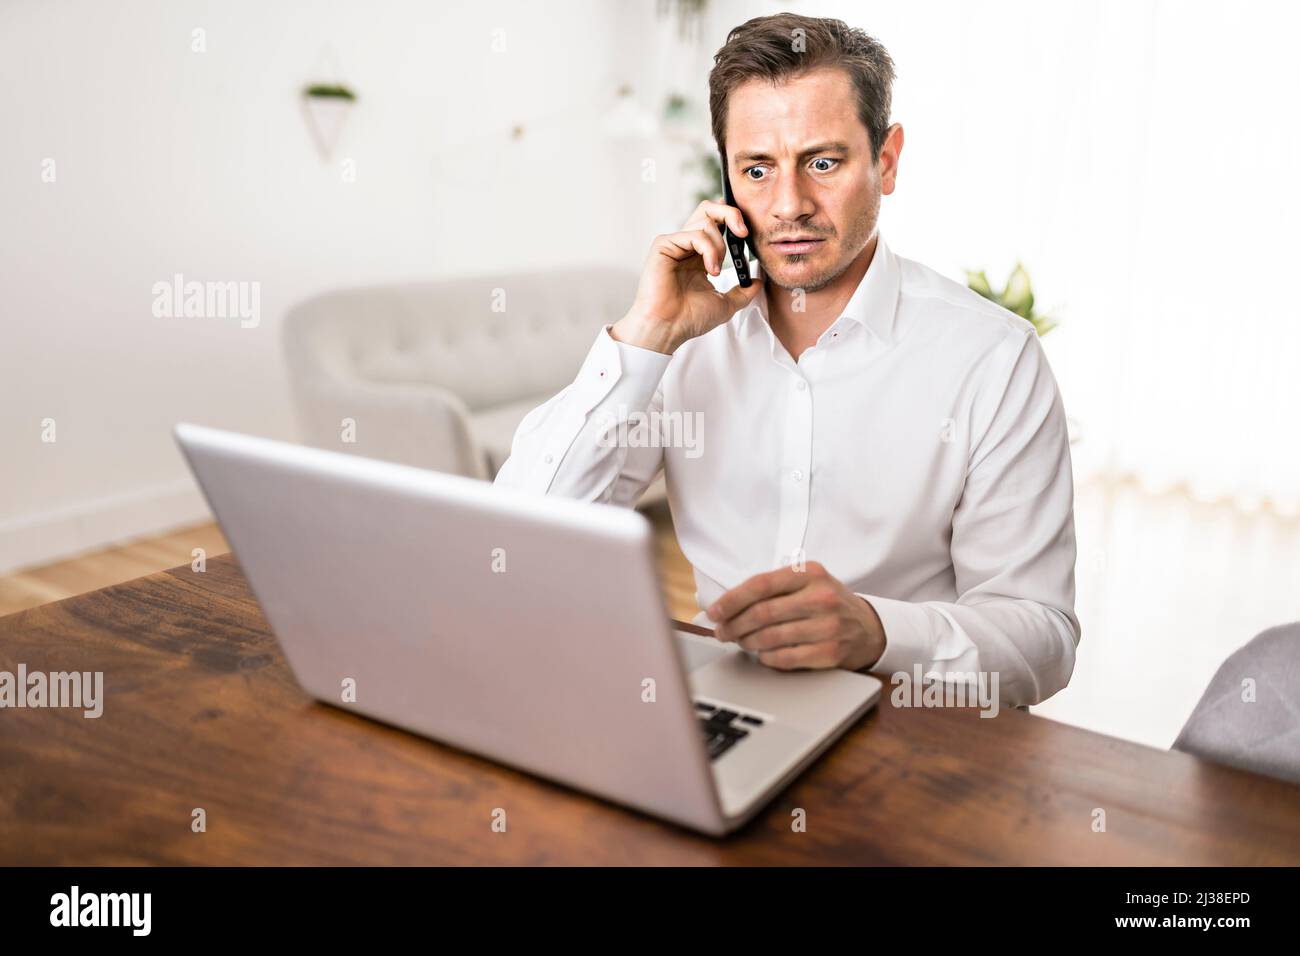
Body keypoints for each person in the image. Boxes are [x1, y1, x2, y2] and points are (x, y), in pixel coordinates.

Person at [495, 13, 1080, 706]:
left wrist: (877, 632)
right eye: (758, 169)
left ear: (886, 161)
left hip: (907, 718)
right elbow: (519, 540)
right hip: (718, 704)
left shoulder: (994, 359)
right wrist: (647, 336)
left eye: (823, 163)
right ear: (726, 178)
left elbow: (1042, 641)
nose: (789, 205)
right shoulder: (684, 339)